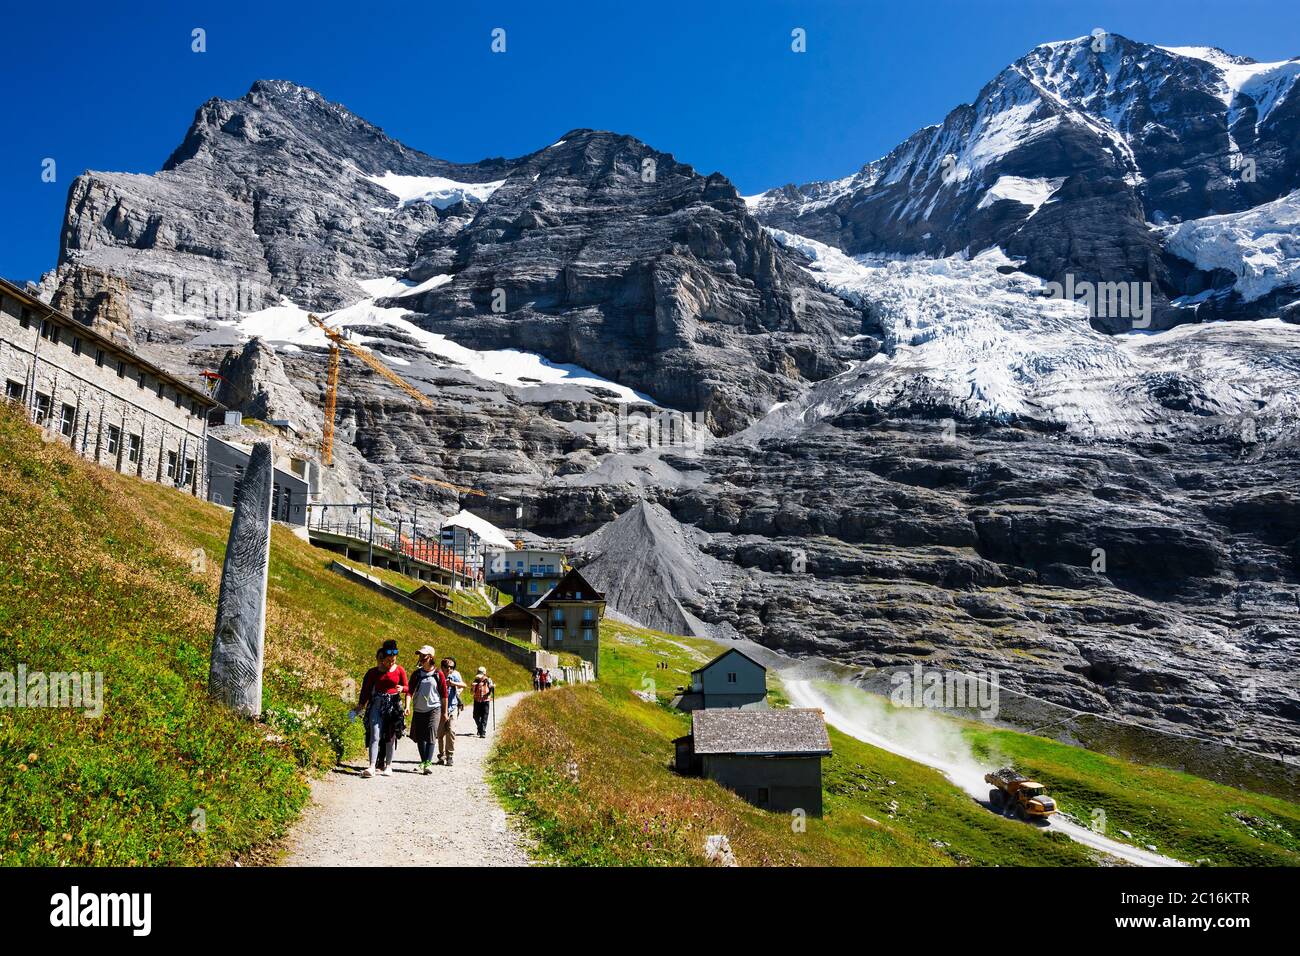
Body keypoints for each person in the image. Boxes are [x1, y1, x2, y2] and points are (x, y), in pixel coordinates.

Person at [356, 639, 408, 778]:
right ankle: (372, 766)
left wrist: (402, 688)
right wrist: (361, 705)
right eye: (388, 660)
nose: (391, 662)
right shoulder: (373, 672)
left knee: (390, 736)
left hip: (393, 705)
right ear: (382, 658)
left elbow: (408, 688)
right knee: (375, 735)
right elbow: (365, 690)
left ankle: (389, 766)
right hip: (376, 704)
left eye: (393, 660)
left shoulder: (399, 670)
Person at [408, 645, 448, 774]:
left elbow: (444, 695)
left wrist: (445, 712)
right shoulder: (416, 674)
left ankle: (428, 764)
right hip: (419, 709)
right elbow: (409, 691)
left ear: (430, 657)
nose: (421, 658)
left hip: (434, 709)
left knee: (431, 735)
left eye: (423, 656)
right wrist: (407, 706)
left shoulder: (438, 674)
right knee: (420, 738)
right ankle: (423, 762)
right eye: (419, 655)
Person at [435, 658, 460, 767]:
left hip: (452, 708)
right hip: (439, 709)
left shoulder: (454, 676)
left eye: (451, 667)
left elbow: (463, 685)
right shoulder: (437, 676)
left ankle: (450, 756)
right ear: (442, 666)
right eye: (446, 666)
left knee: (451, 731)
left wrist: (453, 683)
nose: (448, 669)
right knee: (440, 734)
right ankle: (441, 755)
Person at [471, 667, 495, 738]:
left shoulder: (488, 680)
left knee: (484, 716)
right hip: (477, 700)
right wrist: (472, 687)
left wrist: (493, 687)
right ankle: (480, 727)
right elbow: (471, 692)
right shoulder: (475, 680)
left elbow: (491, 687)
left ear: (485, 674)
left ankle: (483, 732)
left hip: (485, 701)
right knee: (475, 716)